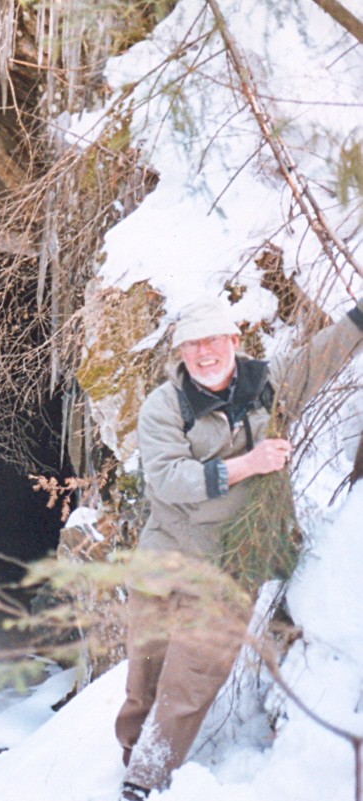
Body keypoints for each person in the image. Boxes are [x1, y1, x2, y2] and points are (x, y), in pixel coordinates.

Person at [115, 294, 363, 801]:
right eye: (192, 345)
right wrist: (249, 463)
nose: (203, 353)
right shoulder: (165, 405)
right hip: (166, 557)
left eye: (213, 340)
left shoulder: (266, 383)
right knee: (144, 678)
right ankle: (132, 754)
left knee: (192, 677)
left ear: (234, 340)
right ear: (180, 353)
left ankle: (143, 781)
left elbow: (324, 352)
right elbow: (168, 479)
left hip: (232, 563)